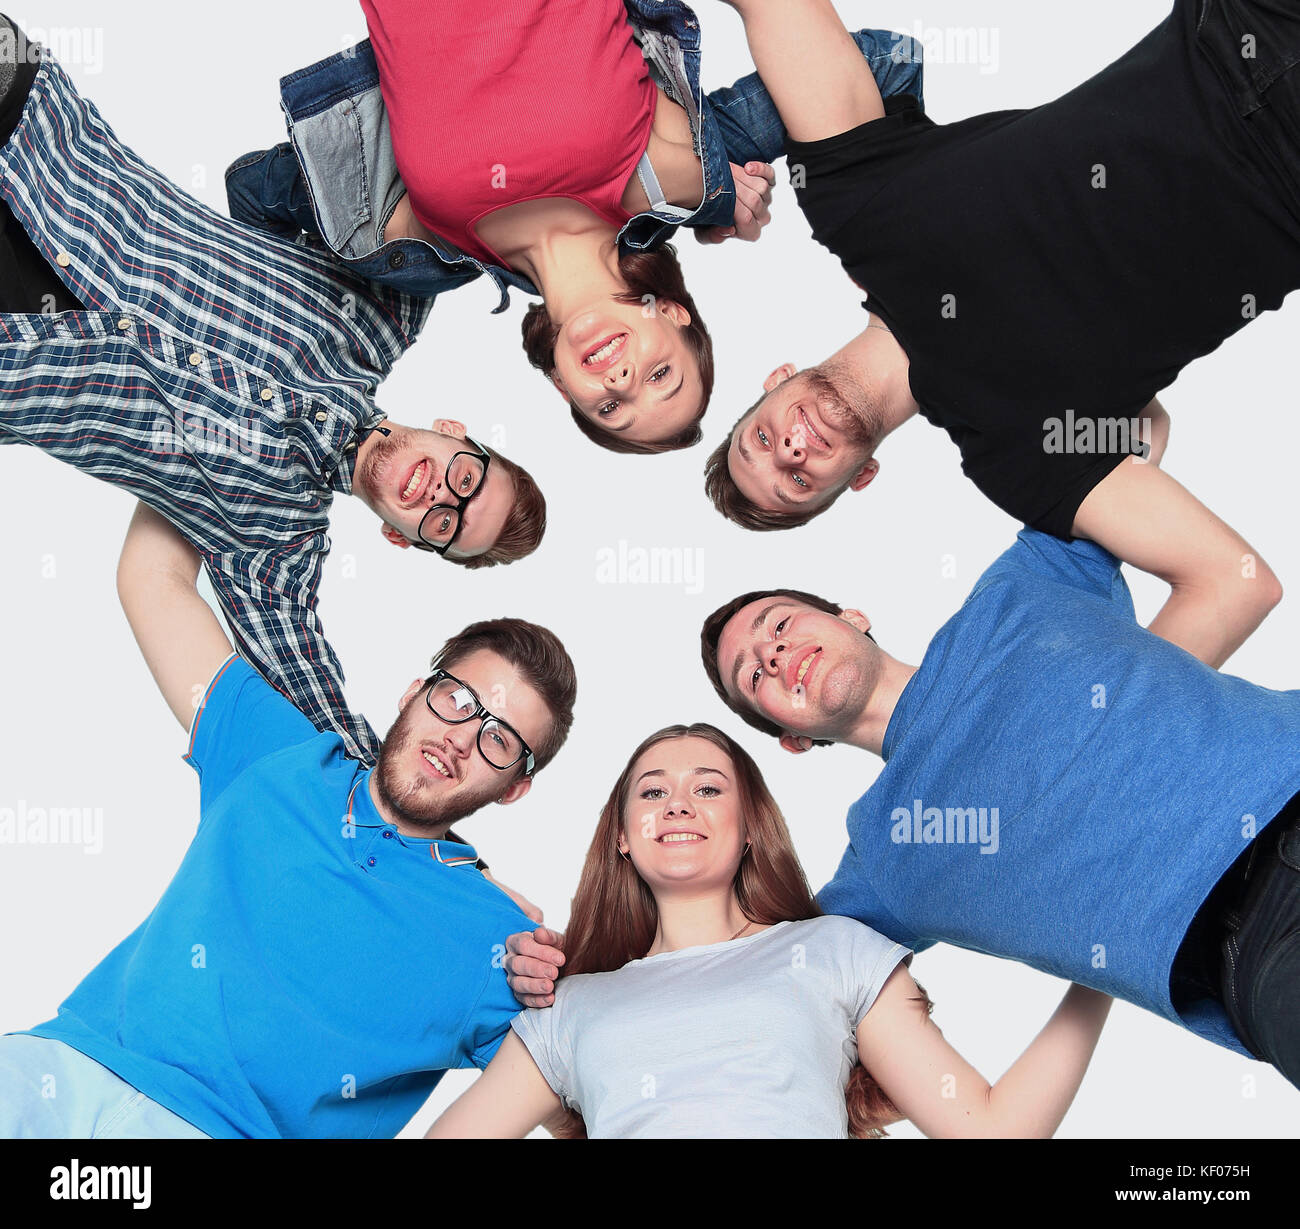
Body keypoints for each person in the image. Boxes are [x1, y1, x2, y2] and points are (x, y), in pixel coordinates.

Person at [511, 527, 1300, 1097]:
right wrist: (557, 969)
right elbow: (726, 971)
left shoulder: (1020, 585)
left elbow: (1120, 426)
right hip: (1256, 942)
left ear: (850, 615)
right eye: (755, 673)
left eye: (779, 624)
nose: (775, 652)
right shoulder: (884, 863)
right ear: (790, 738)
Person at [0, 16, 546, 761]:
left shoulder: (274, 544)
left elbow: (328, 740)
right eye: (466, 477)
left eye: (447, 524)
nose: (440, 494)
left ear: (402, 537)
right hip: (37, 138)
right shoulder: (384, 304)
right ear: (454, 431)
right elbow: (470, 160)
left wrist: (435, 845)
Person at [704, 0, 1299, 670]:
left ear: (777, 378)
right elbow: (1235, 582)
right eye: (796, 479)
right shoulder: (1016, 459)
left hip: (1239, 30)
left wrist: (677, 182)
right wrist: (1091, 752)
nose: (791, 447)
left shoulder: (852, 204)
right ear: (861, 477)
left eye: (762, 440)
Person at [0, 502, 577, 1139]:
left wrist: (562, 983)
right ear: (415, 690)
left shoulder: (499, 939)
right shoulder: (278, 752)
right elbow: (152, 576)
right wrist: (218, 433)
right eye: (458, 700)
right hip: (59, 1067)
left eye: (500, 740)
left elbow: (585, 1109)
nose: (462, 737)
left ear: (515, 788)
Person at [226, 1, 925, 453]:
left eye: (612, 405)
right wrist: (880, 260)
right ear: (675, 315)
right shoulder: (677, 177)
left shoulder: (420, 253)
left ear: (564, 388)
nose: (621, 376)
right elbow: (884, 64)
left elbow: (254, 191)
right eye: (661, 374)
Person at [430, 726, 1110, 1138]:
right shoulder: (570, 1008)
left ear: (752, 824)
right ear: (622, 838)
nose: (679, 805)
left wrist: (1103, 968)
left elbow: (990, 1127)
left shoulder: (836, 951)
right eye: (652, 790)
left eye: (709, 787)